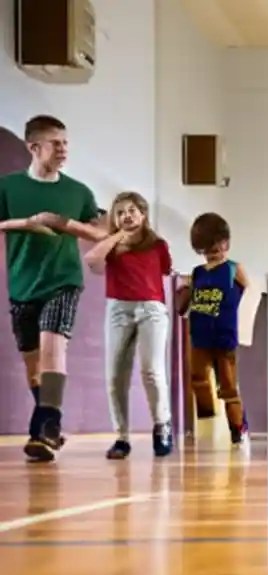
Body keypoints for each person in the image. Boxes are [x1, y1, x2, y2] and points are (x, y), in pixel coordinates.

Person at [0, 114, 110, 462]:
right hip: (22, 284)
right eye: (55, 143)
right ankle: (50, 425)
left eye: (66, 142)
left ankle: (43, 429)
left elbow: (100, 231)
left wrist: (60, 222)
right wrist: (27, 224)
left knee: (53, 351)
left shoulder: (78, 191)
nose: (64, 149)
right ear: (34, 147)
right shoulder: (8, 187)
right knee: (33, 365)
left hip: (63, 281)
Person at [84, 191, 175, 458]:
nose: (126, 215)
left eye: (131, 210)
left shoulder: (157, 245)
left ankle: (162, 426)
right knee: (115, 375)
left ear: (143, 214)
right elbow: (91, 260)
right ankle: (121, 437)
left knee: (151, 371)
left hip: (152, 309)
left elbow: (166, 270)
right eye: (120, 212)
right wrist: (115, 237)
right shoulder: (111, 245)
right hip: (118, 309)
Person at [182, 212, 251, 448]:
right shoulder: (198, 273)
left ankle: (237, 427)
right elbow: (189, 302)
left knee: (228, 385)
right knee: (198, 378)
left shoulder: (233, 269)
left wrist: (243, 328)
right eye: (208, 246)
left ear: (226, 242)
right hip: (200, 335)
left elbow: (250, 295)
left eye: (218, 244)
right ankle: (207, 422)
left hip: (225, 336)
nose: (214, 250)